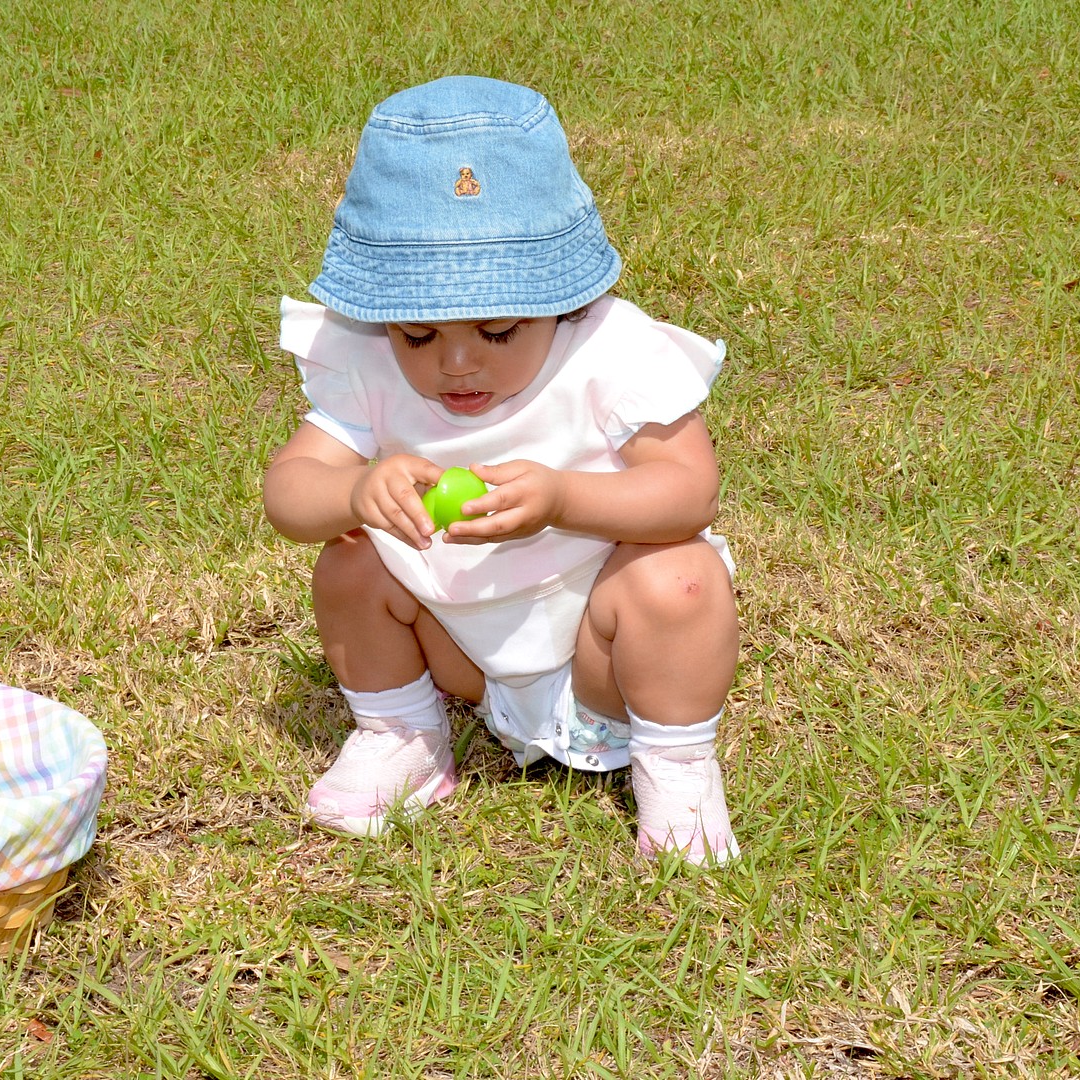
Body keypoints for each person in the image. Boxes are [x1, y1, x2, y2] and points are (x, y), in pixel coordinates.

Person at [262, 76, 741, 864]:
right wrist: (351, 490)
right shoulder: (366, 356)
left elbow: (689, 491)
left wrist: (563, 497)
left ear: (562, 301)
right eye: (418, 336)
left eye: (496, 328)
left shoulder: (609, 351)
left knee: (680, 577)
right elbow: (288, 493)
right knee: (350, 561)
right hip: (466, 653)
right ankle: (402, 732)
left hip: (602, 655)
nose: (456, 362)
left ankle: (676, 762)